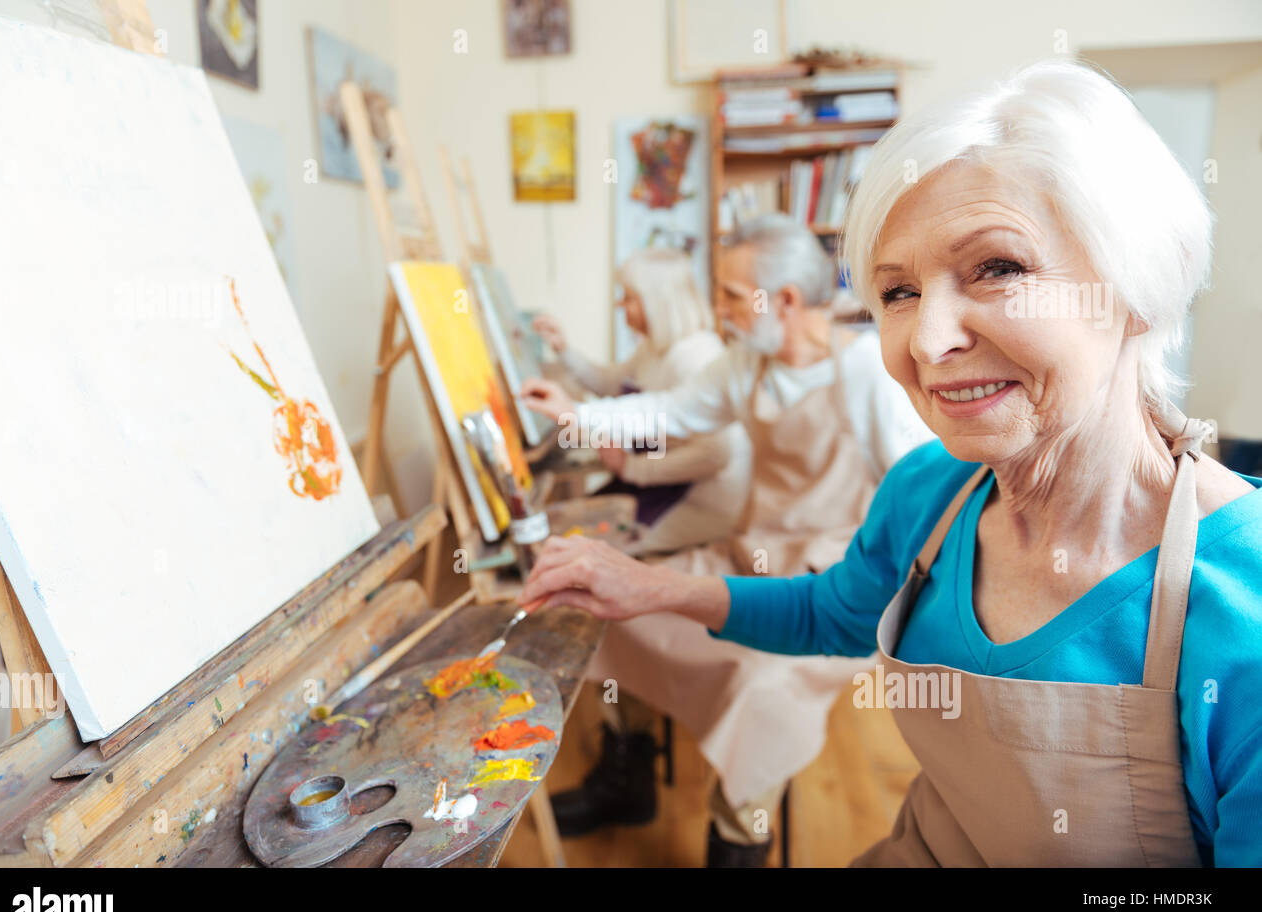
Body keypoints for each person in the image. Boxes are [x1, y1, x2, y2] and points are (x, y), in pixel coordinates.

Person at [519, 59, 1262, 867]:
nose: (928, 341)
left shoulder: (1239, 613)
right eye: (898, 292)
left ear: (1136, 286)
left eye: (997, 267)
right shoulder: (930, 496)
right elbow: (834, 614)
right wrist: (646, 586)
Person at [523, 214, 933, 866]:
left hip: (831, 589)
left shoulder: (869, 375)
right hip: (749, 556)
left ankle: (737, 836)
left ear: (788, 301)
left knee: (761, 694)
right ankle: (625, 780)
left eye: (734, 296)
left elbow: (921, 513)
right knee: (612, 613)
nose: (721, 310)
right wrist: (576, 415)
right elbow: (669, 410)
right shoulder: (747, 365)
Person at [533, 248, 750, 554]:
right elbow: (611, 384)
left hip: (698, 498)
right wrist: (564, 350)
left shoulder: (696, 355)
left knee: (574, 545)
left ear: (657, 302)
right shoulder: (654, 348)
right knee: (563, 530)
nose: (620, 305)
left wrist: (631, 467)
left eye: (628, 297)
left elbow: (715, 455)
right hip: (659, 485)